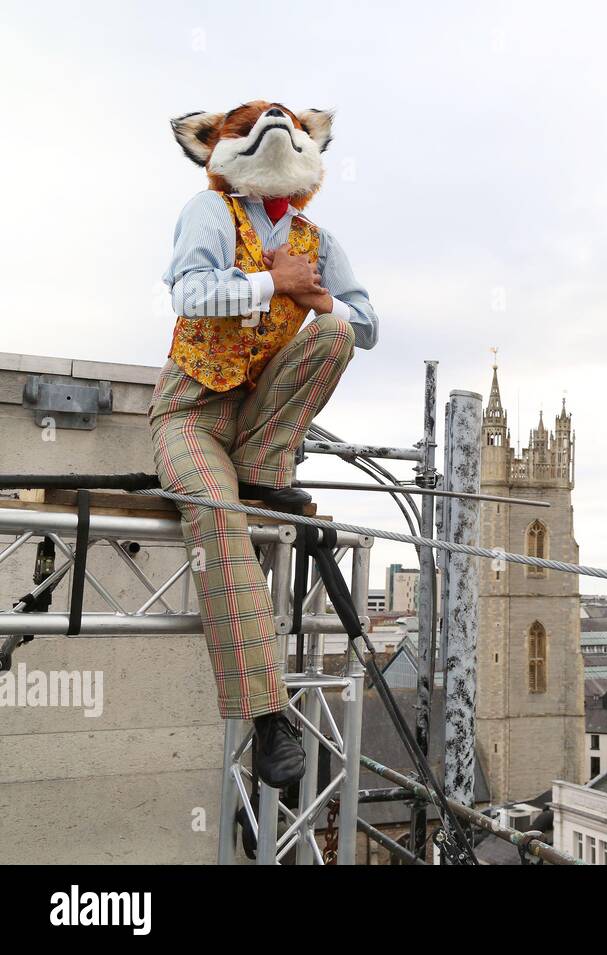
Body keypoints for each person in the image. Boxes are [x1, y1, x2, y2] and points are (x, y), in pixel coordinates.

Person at [150, 101, 378, 788]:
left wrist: (317, 300)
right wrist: (270, 281)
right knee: (217, 518)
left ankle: (264, 463)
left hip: (258, 419)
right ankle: (265, 713)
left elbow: (364, 325)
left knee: (334, 334)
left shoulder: (318, 239)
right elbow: (189, 293)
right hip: (194, 414)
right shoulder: (210, 212)